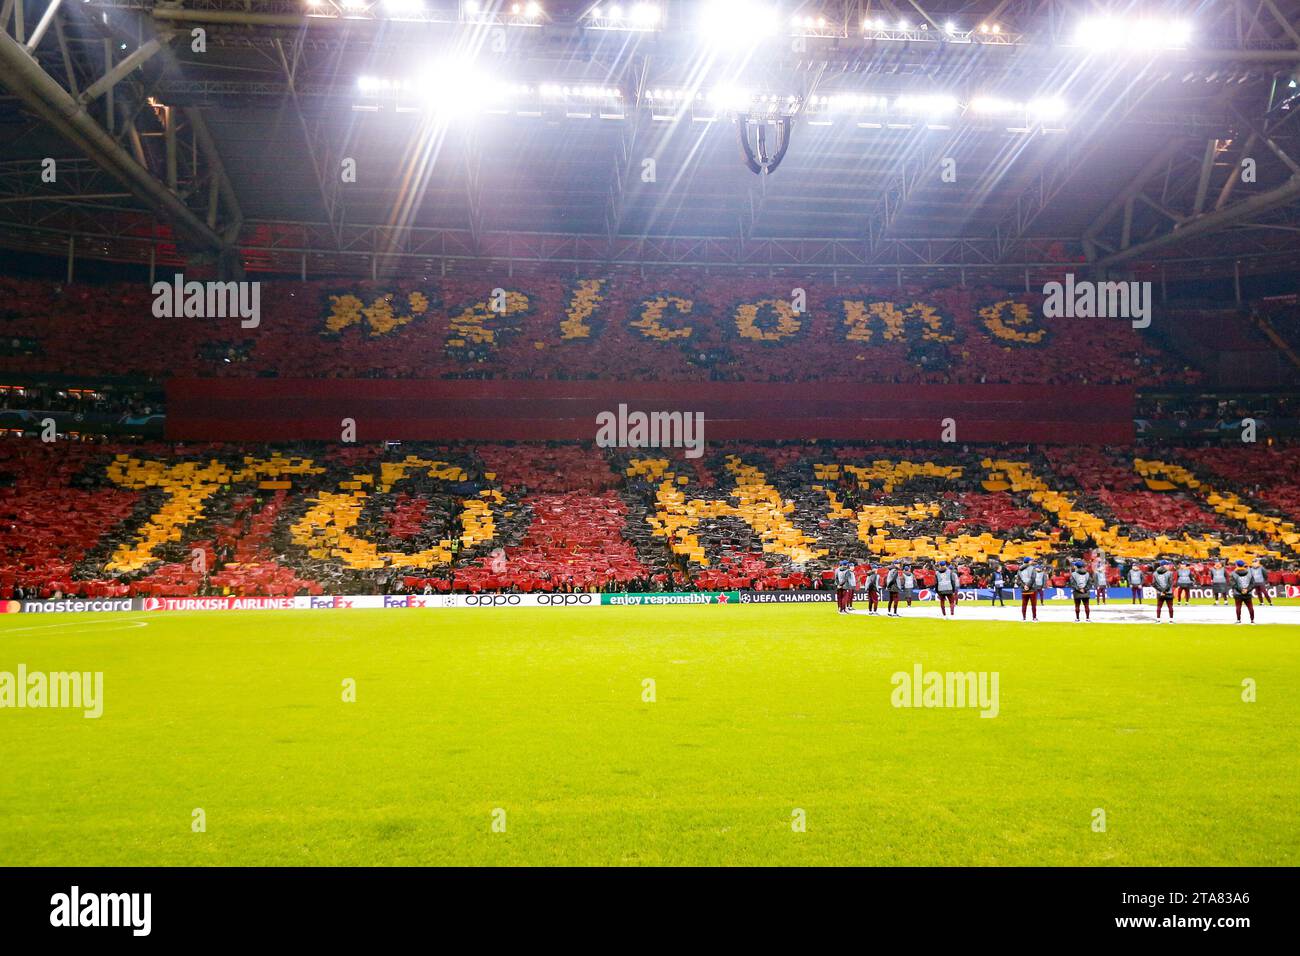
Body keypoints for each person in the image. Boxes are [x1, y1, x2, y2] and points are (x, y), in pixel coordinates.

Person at [1230, 559, 1256, 624]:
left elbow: (1233, 584)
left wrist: (1241, 590)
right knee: (1250, 607)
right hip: (1248, 593)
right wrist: (1247, 590)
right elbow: (1253, 583)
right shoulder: (1249, 573)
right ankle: (1252, 620)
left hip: (1238, 593)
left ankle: (1238, 620)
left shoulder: (1233, 573)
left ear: (1236, 565)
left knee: (1238, 607)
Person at [1017, 558, 1039, 622]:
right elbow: (1033, 578)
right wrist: (1028, 586)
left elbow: (1018, 580)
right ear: (1029, 561)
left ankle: (1024, 618)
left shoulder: (1019, 569)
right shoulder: (1033, 568)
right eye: (1031, 560)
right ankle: (1034, 618)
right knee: (1033, 605)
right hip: (1032, 589)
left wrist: (1024, 586)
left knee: (1024, 604)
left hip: (1024, 590)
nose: (1032, 561)